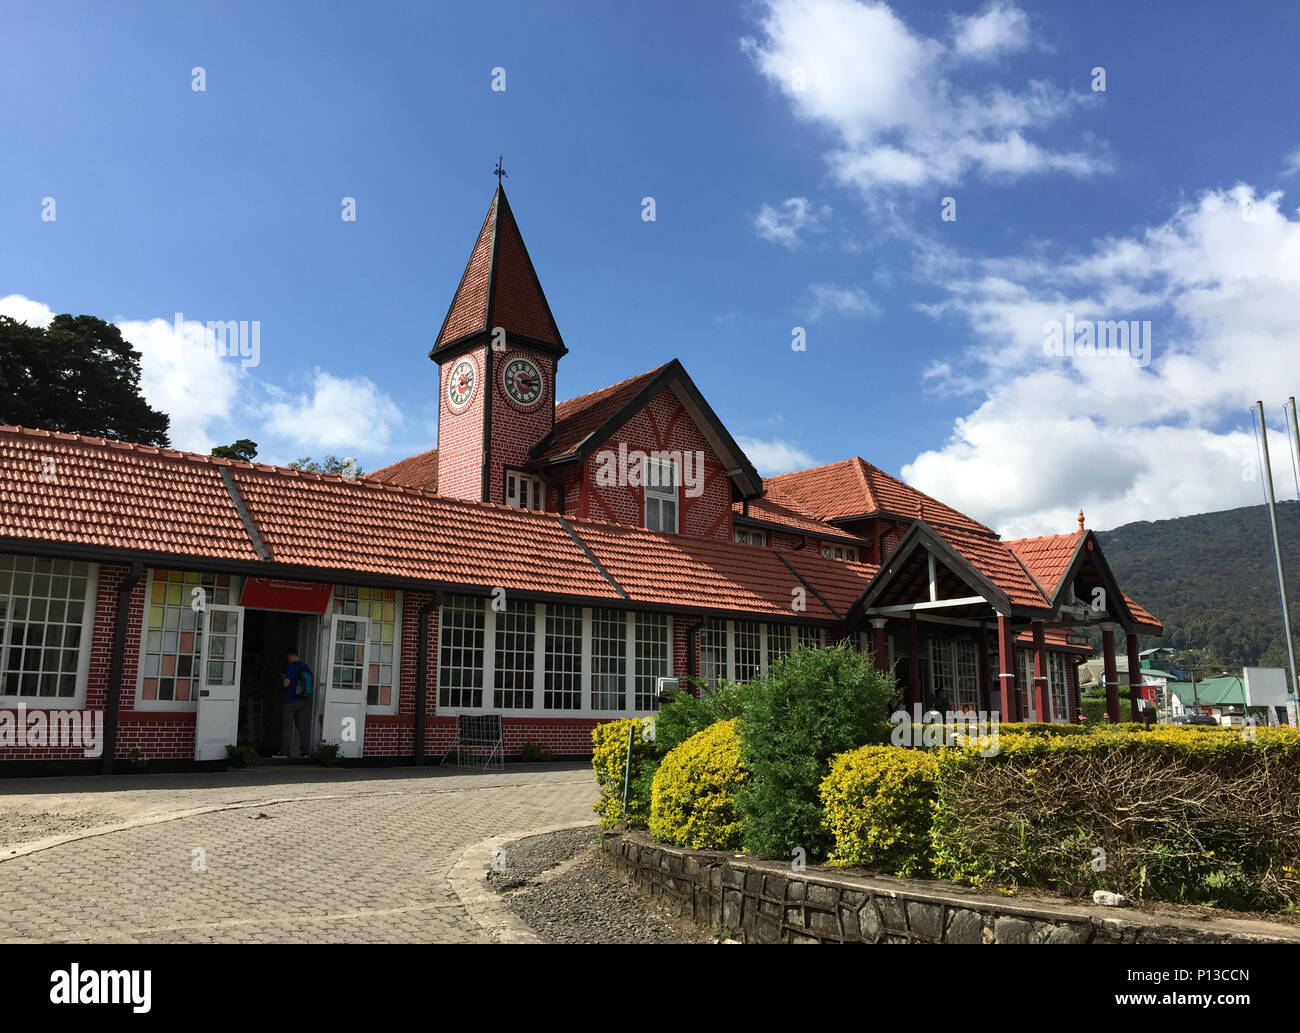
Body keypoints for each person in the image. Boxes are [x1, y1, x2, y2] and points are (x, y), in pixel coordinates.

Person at [279, 648, 313, 759]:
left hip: (290, 702)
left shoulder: (291, 667)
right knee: (302, 727)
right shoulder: (305, 667)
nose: (288, 661)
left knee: (287, 727)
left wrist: (284, 678)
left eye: (287, 659)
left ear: (290, 657)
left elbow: (286, 684)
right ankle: (305, 752)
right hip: (303, 701)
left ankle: (284, 752)